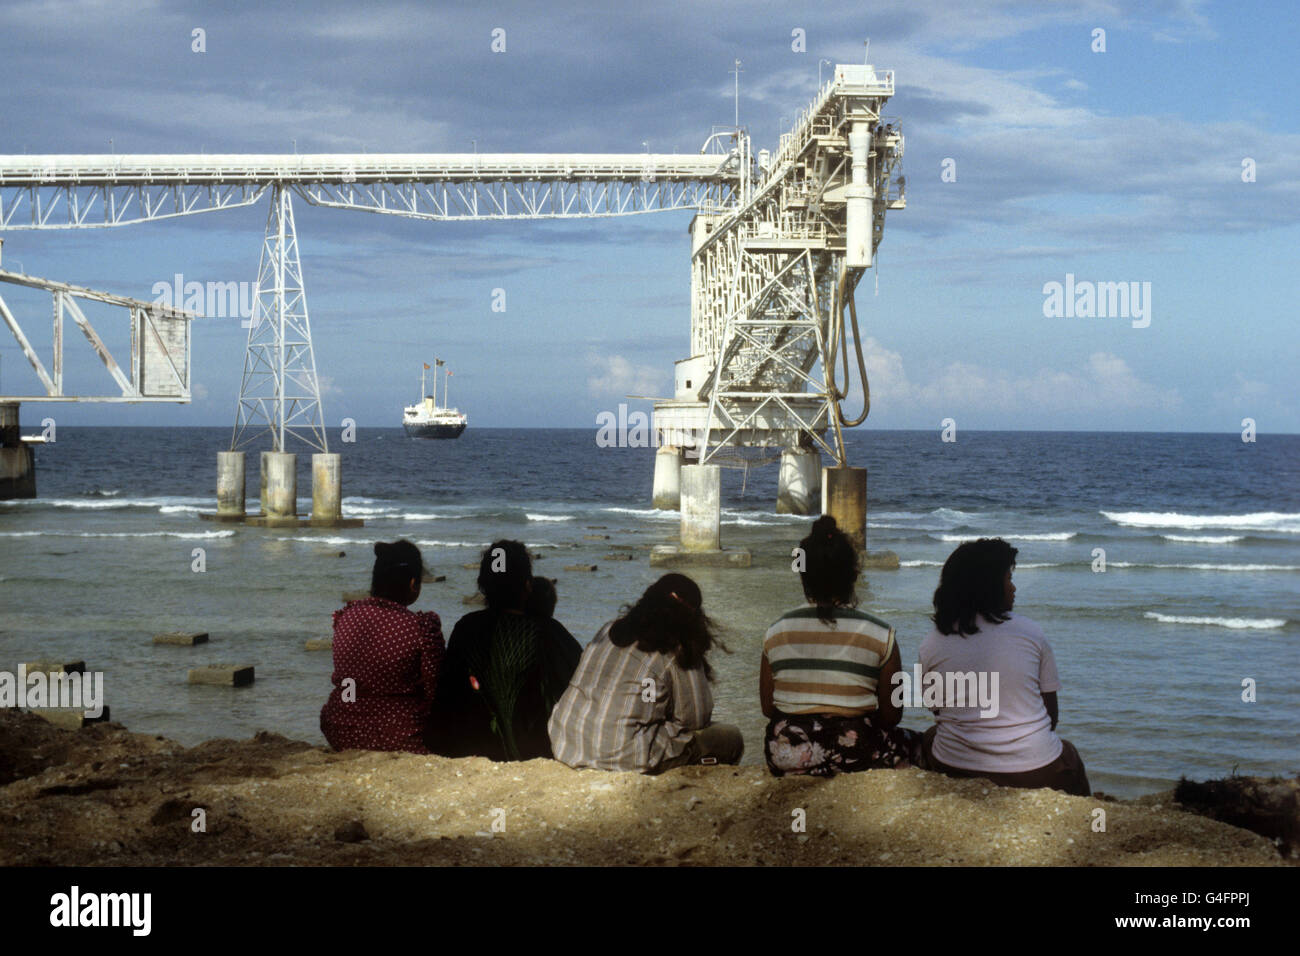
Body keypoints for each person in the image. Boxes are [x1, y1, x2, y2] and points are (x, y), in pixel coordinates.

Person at [918, 538, 1091, 796]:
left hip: (956, 767)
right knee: (1069, 754)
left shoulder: (931, 642)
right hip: (1036, 770)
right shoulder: (1031, 632)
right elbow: (1051, 717)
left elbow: (937, 710)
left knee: (931, 736)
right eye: (1008, 579)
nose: (1014, 588)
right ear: (989, 587)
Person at [760, 515, 921, 776]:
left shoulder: (775, 631)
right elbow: (893, 715)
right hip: (853, 753)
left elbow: (768, 708)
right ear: (853, 574)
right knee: (917, 743)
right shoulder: (881, 633)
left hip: (785, 755)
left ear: (803, 574)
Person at [549, 573, 743, 773]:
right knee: (728, 738)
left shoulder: (607, 630)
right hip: (622, 756)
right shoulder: (677, 650)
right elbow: (696, 719)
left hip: (567, 743)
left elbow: (642, 692)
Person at [428, 540, 581, 761]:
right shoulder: (547, 631)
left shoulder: (465, 628)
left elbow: (448, 694)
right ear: (527, 585)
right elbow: (580, 681)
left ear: (484, 585)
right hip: (534, 748)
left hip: (473, 745)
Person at [320, 540, 444, 754]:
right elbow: (436, 688)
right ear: (413, 584)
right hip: (398, 733)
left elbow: (347, 677)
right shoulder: (420, 627)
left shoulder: (346, 616)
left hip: (339, 726)